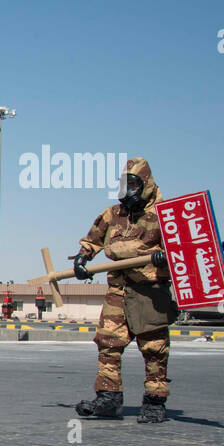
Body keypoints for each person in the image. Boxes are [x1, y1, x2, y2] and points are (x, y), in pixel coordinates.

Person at [72, 158, 174, 423]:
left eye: (133, 184)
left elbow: (185, 251)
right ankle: (109, 399)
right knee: (108, 343)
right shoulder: (113, 214)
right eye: (125, 183)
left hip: (150, 291)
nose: (128, 189)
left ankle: (154, 401)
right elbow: (93, 239)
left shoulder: (166, 215)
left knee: (154, 348)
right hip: (118, 289)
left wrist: (168, 257)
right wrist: (83, 257)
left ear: (146, 185)